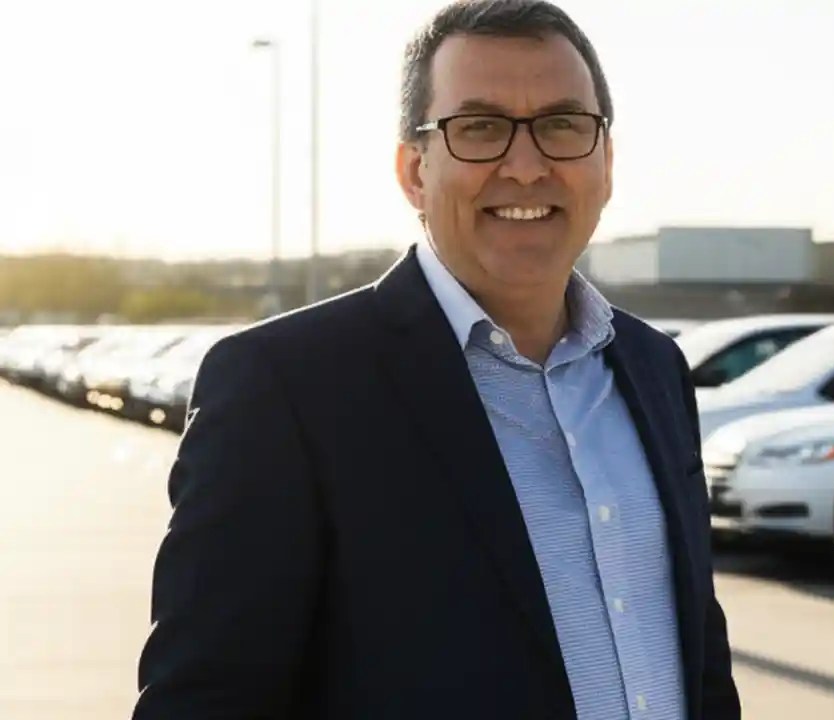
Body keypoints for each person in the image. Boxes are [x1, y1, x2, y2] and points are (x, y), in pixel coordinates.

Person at [132, 1, 740, 718]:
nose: (526, 165)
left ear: (605, 162)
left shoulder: (655, 370)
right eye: (479, 128)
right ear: (414, 171)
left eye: (562, 125)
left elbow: (697, 661)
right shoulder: (287, 390)